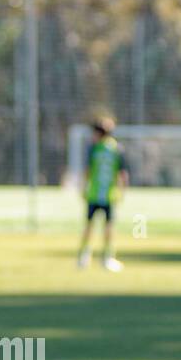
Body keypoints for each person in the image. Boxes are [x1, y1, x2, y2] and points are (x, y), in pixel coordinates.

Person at [77, 117, 128, 272]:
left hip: (95, 194)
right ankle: (106, 258)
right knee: (108, 227)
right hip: (108, 195)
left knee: (90, 226)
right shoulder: (116, 149)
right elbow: (123, 174)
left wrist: (83, 188)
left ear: (99, 133)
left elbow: (87, 171)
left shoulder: (94, 149)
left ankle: (84, 256)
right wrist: (122, 191)